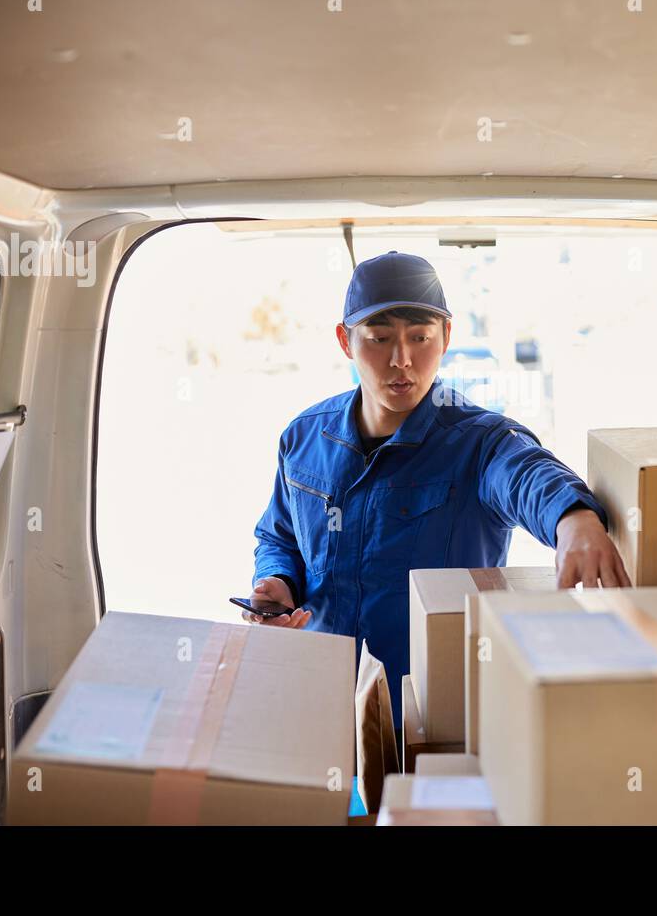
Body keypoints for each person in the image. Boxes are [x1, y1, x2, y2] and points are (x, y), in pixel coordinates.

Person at [247, 250, 630, 724]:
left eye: (420, 338)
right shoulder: (304, 438)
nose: (401, 360)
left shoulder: (478, 441)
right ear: (346, 341)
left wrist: (574, 519)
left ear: (446, 336)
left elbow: (527, 473)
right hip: (320, 687)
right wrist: (279, 582)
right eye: (380, 338)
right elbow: (278, 536)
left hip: (433, 710)